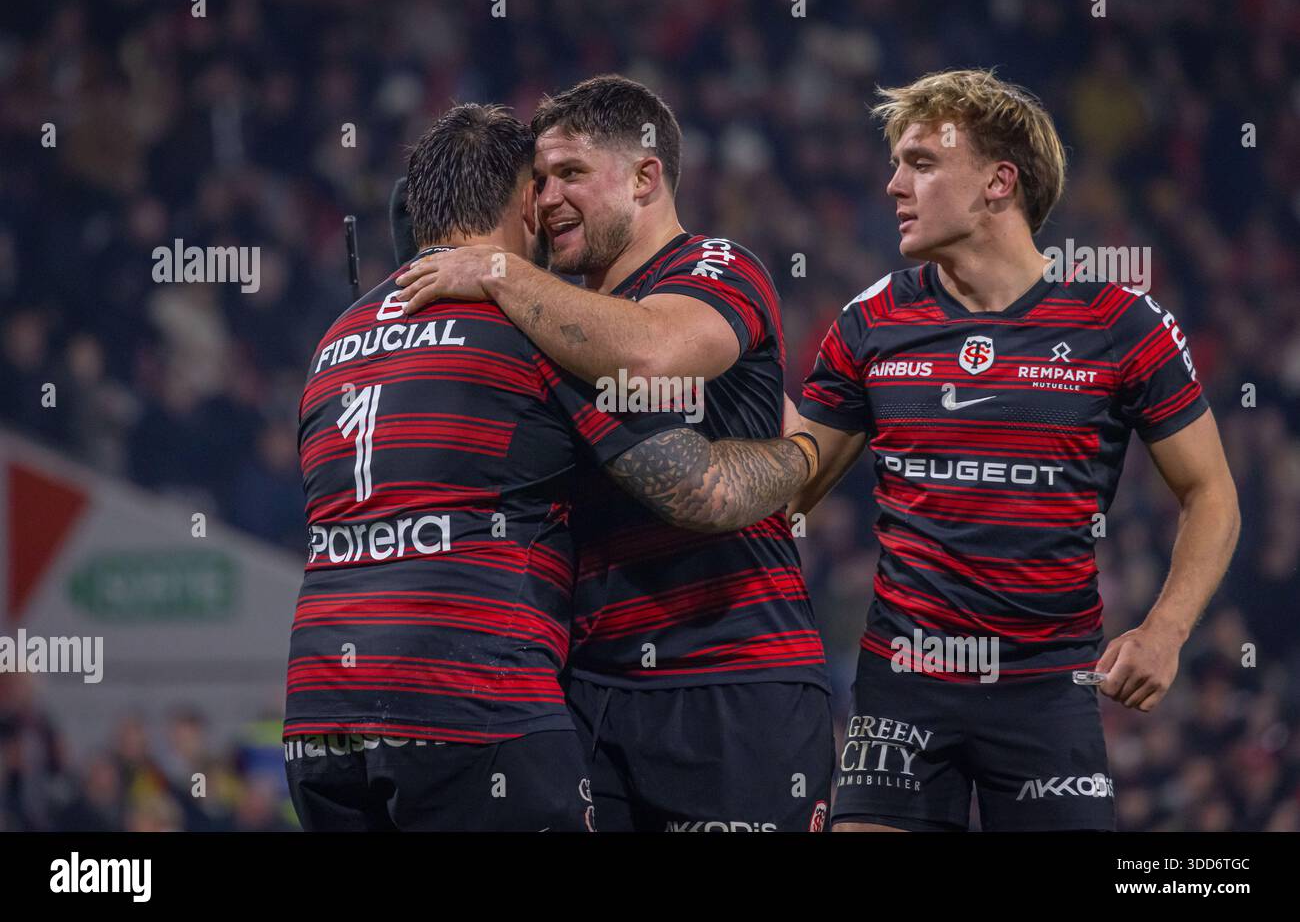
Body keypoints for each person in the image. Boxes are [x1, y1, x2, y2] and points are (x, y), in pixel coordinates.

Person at [283, 103, 820, 831]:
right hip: (473, 703)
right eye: (544, 183)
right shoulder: (532, 323)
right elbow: (699, 488)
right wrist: (809, 452)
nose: (553, 203)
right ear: (520, 210)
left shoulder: (333, 341)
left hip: (320, 716)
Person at [790, 69, 1240, 831]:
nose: (894, 184)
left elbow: (1213, 494)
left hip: (1047, 691)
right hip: (901, 684)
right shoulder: (872, 319)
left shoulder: (1122, 323)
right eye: (898, 162)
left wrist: (1166, 629)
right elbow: (787, 485)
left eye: (922, 163)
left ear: (1000, 182)